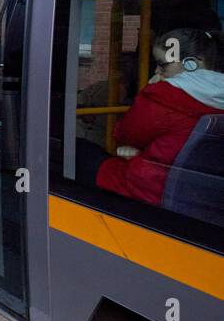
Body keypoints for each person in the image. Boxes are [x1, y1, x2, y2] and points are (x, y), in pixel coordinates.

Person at [77, 28, 224, 207]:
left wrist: (150, 91)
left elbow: (123, 135)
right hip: (199, 191)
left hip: (149, 186)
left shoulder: (164, 95)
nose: (156, 70)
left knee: (78, 151)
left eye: (163, 65)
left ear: (193, 63)